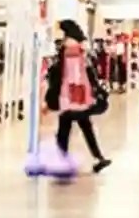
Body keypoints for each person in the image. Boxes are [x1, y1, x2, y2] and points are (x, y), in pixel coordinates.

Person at [44, 20, 111, 174]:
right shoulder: (81, 48)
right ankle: (98, 157)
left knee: (65, 128)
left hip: (70, 95)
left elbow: (65, 74)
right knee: (84, 126)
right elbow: (87, 72)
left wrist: (52, 97)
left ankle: (62, 161)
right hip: (80, 95)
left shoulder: (69, 47)